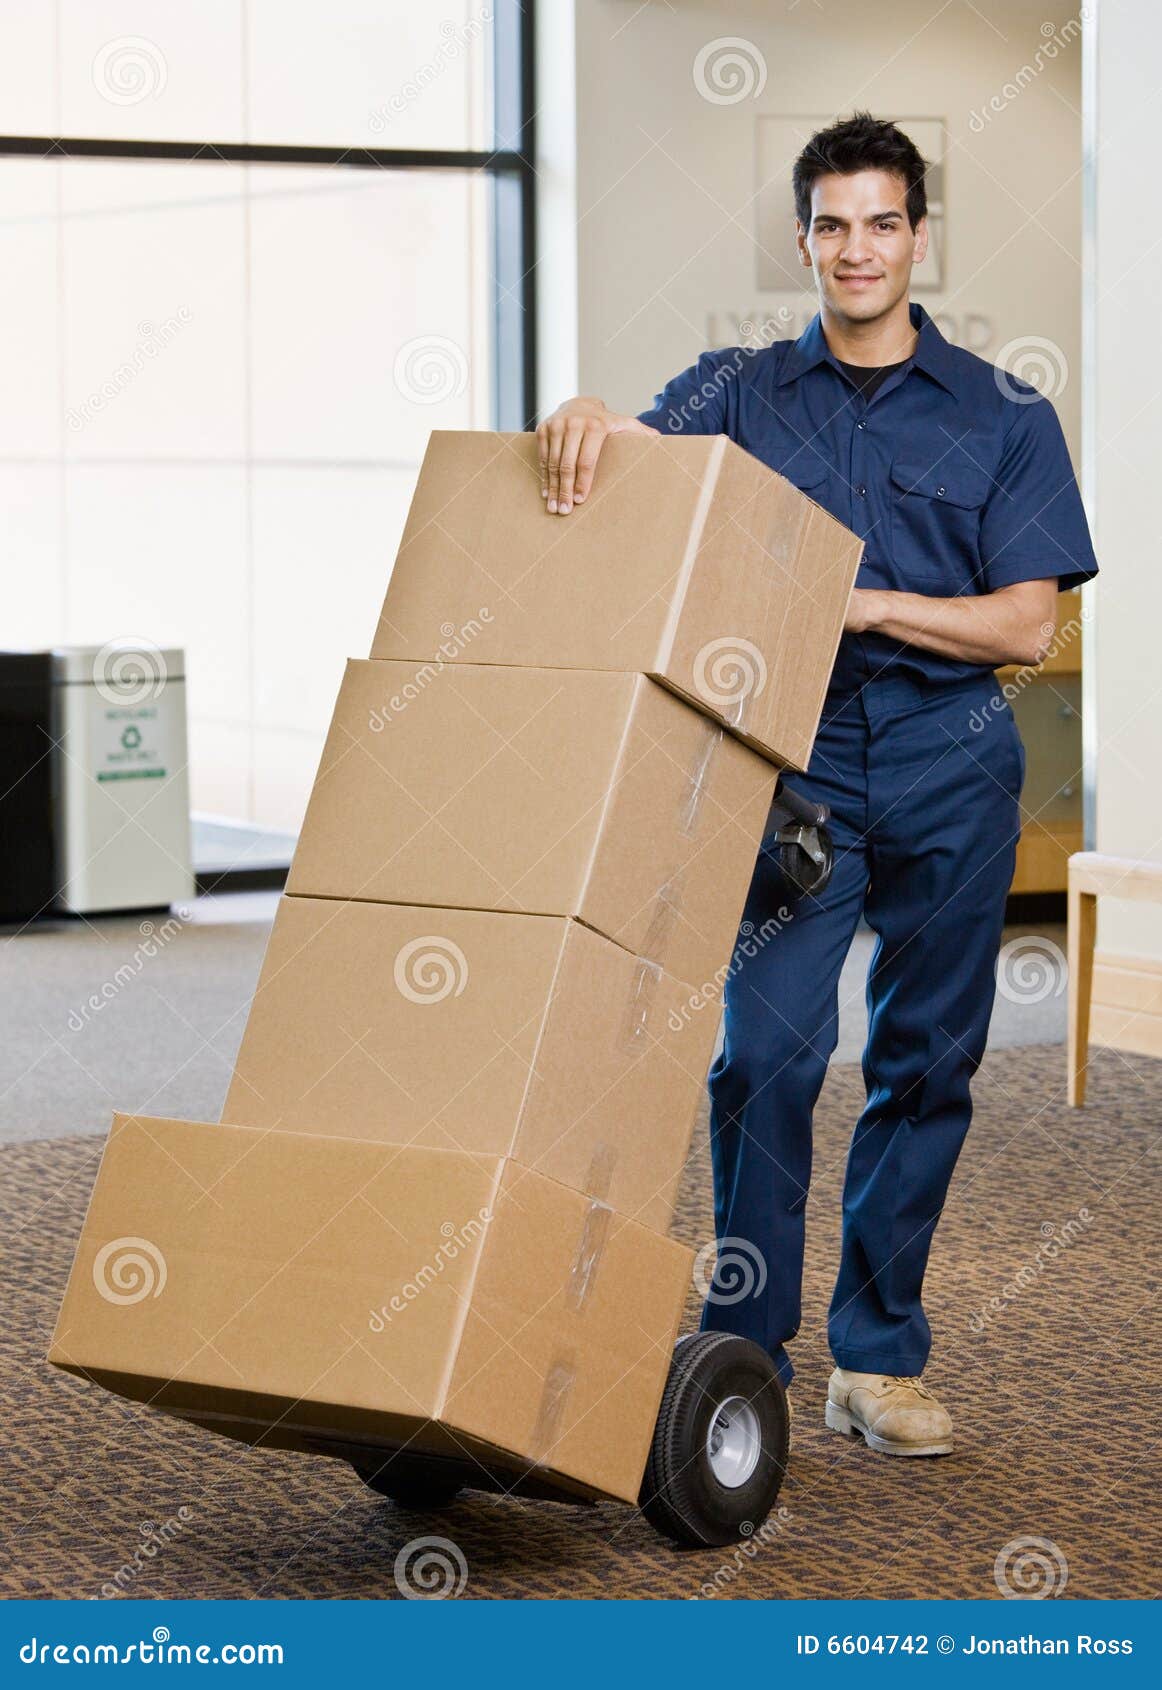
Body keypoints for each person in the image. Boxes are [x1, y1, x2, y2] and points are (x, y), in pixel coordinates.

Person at [534, 111, 1098, 1456]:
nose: (857, 248)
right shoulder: (735, 390)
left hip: (951, 764)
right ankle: (746, 1341)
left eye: (882, 221)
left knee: (925, 1061)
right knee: (764, 1057)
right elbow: (633, 461)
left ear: (918, 236)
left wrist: (869, 606)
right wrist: (579, 413)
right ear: (802, 241)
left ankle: (875, 1356)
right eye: (831, 224)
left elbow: (1023, 624)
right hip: (787, 769)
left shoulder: (1004, 413)